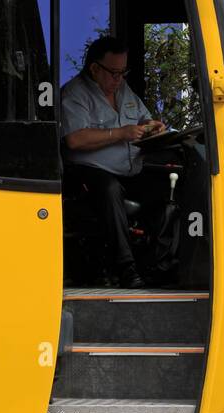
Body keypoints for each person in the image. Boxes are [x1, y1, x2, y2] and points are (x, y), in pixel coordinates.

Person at [60, 35, 167, 289]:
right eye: (113, 73)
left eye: (123, 72)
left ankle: (159, 266)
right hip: (91, 173)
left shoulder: (123, 89)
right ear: (94, 68)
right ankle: (126, 269)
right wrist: (121, 133)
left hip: (131, 169)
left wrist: (153, 127)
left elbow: (142, 119)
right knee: (109, 190)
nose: (118, 79)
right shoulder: (75, 93)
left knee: (168, 188)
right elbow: (74, 139)